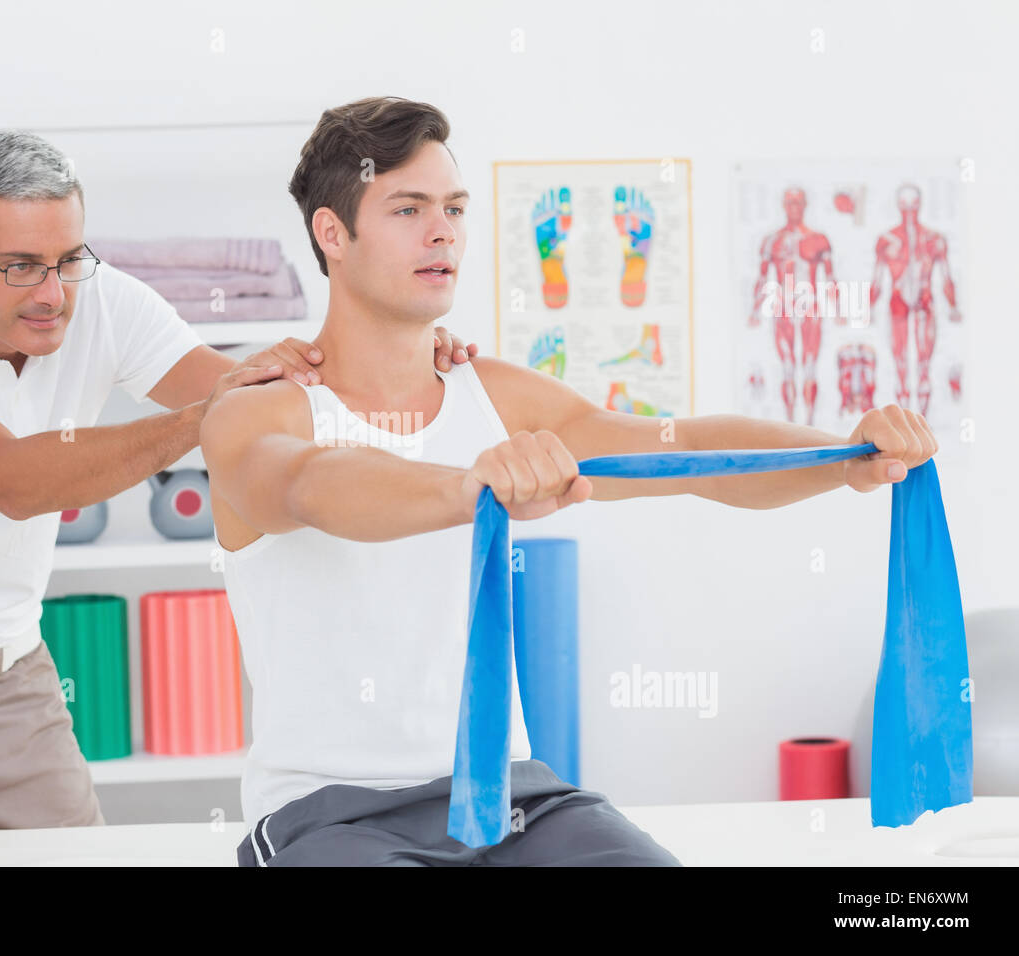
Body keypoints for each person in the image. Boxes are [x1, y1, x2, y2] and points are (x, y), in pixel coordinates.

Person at [200, 97, 938, 866]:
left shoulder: (496, 397)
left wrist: (843, 458)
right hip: (329, 818)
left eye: (453, 207)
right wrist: (467, 488)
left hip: (510, 799)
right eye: (407, 208)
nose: (442, 230)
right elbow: (312, 485)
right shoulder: (258, 413)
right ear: (332, 233)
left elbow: (678, 448)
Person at [0, 129, 472, 837]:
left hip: (13, 678)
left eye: (68, 260)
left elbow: (268, 399)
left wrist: (404, 355)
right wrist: (205, 418)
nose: (53, 293)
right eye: (21, 266)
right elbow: (9, 478)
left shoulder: (104, 300)